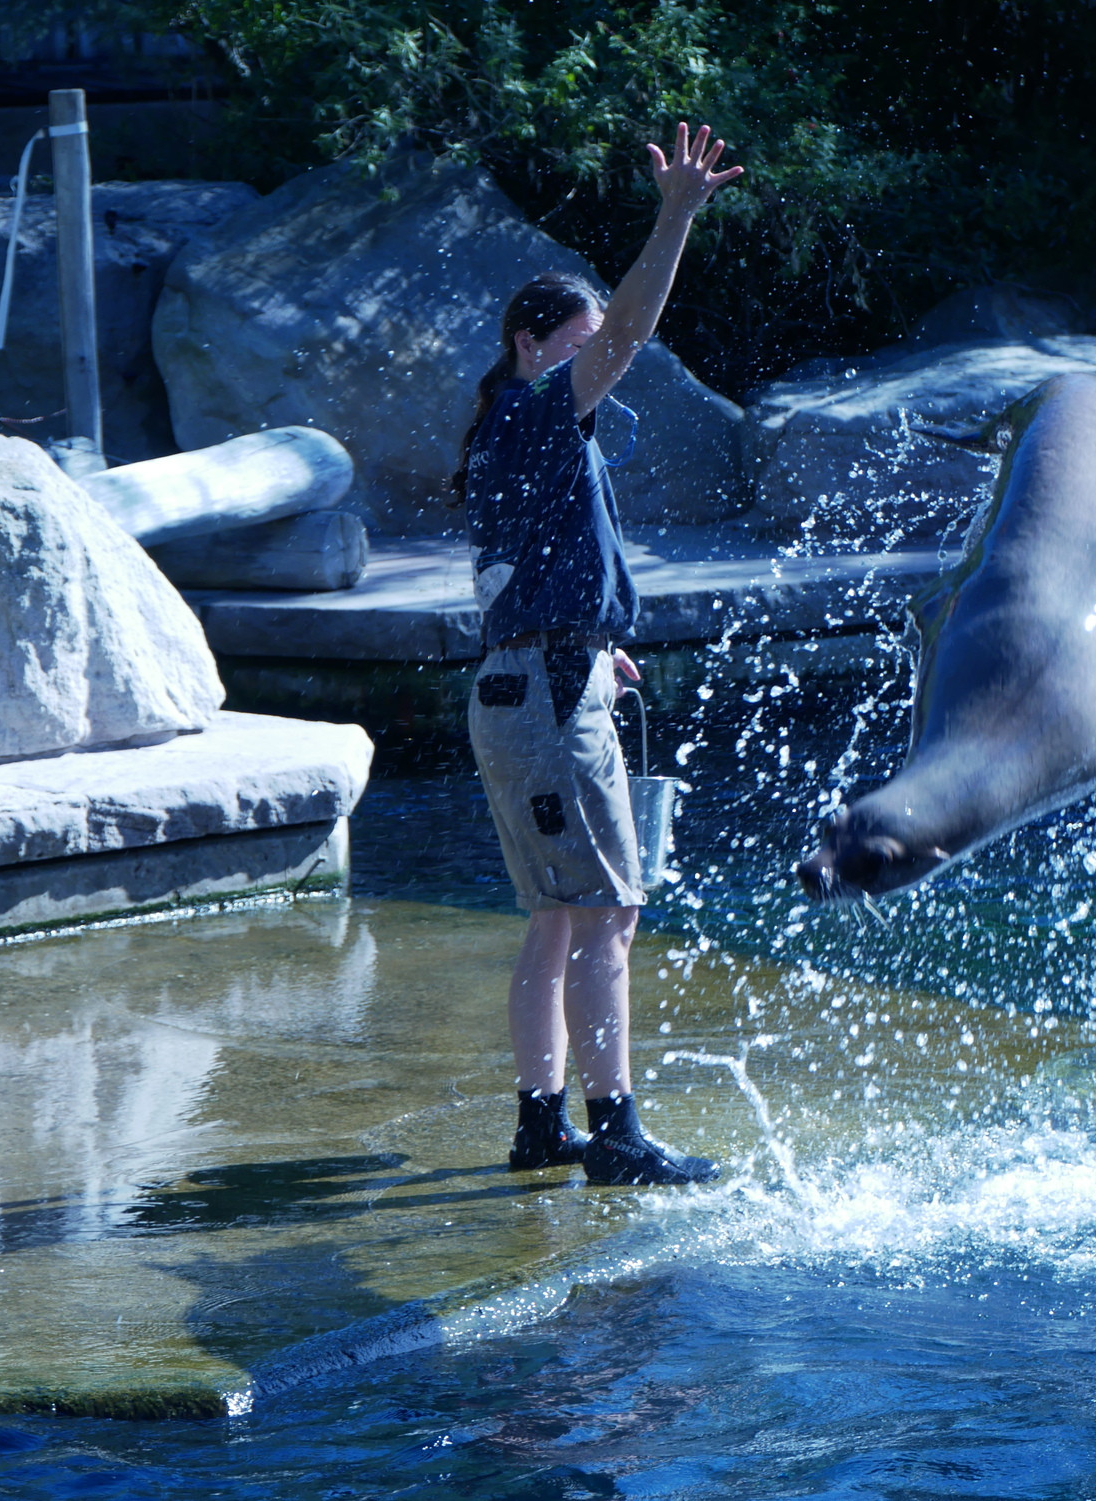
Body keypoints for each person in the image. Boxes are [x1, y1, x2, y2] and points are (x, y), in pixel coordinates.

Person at [456, 123, 742, 1186]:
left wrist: (586, 647)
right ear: (532, 347)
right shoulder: (533, 410)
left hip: (530, 680)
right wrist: (675, 213)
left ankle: (542, 1125)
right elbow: (627, 331)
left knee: (556, 916)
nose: (597, 367)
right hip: (541, 694)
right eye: (577, 350)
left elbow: (520, 574)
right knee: (608, 913)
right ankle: (614, 1133)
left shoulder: (512, 425)